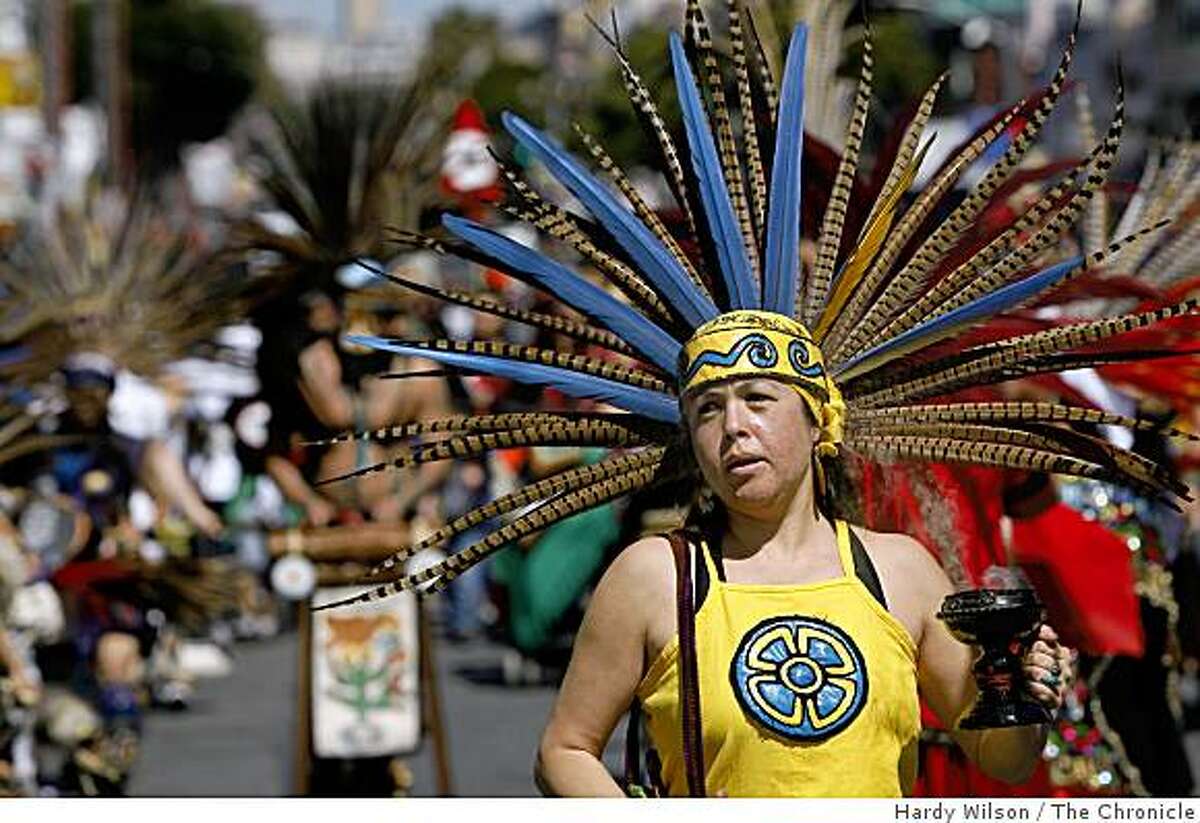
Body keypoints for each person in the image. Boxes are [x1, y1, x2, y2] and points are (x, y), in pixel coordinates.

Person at [316, 0, 1194, 797]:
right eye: (709, 407)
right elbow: (564, 749)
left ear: (822, 421)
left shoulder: (902, 572)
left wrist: (1018, 691)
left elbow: (999, 760)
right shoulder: (654, 577)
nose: (735, 425)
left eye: (762, 399)